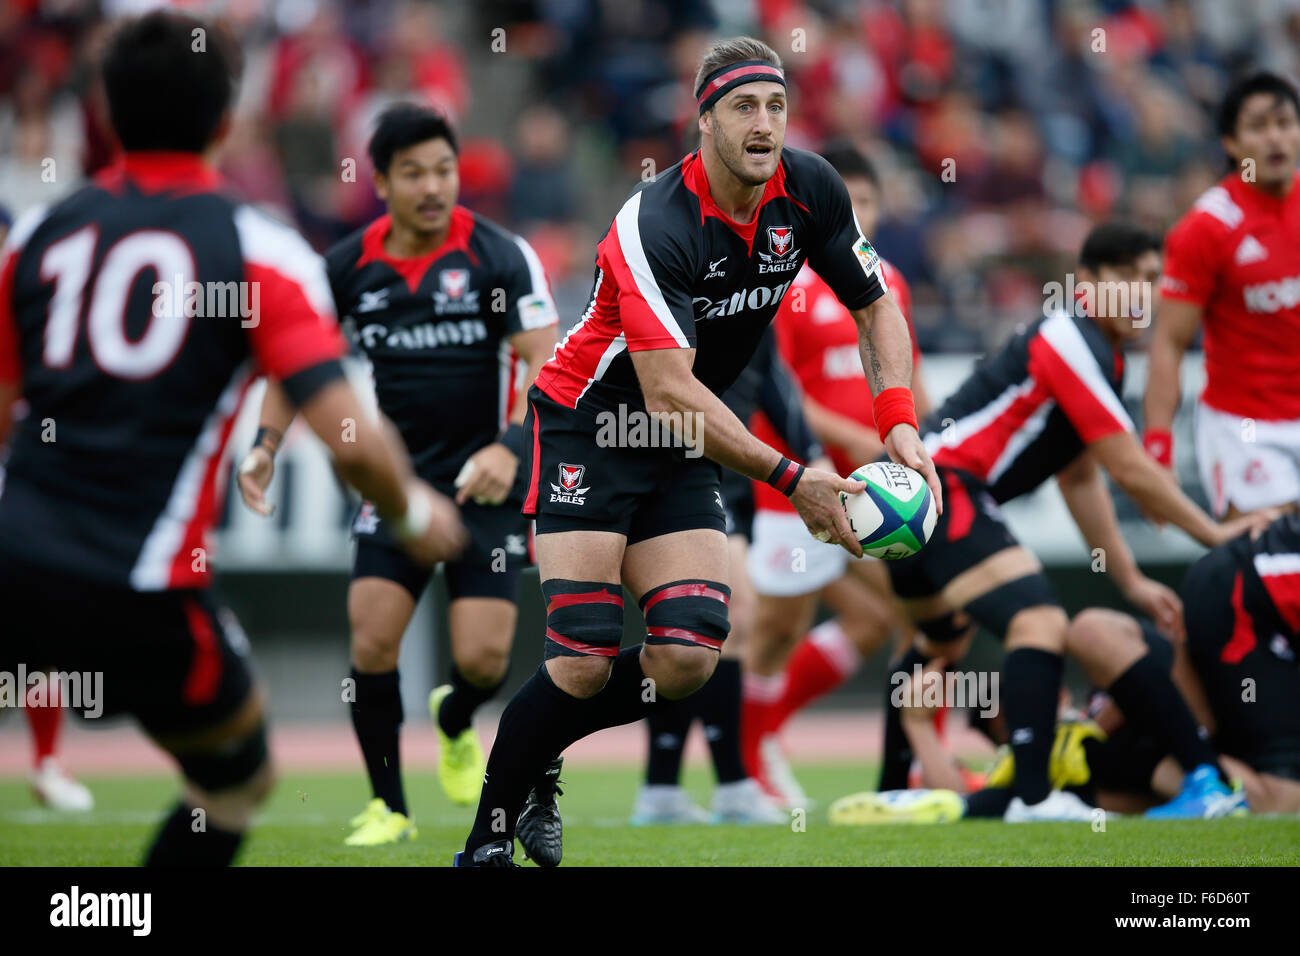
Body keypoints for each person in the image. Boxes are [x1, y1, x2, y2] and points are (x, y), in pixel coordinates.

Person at [456, 36, 938, 867]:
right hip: (591, 423)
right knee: (581, 657)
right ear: (703, 120)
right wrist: (793, 480)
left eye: (778, 105)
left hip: (682, 437)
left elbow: (876, 305)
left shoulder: (812, 190)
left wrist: (896, 416)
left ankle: (540, 744)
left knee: (687, 656)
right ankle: (486, 842)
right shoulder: (654, 221)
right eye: (745, 106)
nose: (766, 123)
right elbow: (670, 391)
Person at [0, 10, 464, 866]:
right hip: (135, 583)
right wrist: (408, 514)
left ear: (104, 112)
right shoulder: (260, 250)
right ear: (225, 121)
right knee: (234, 784)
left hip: (14, 554)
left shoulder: (34, 237)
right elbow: (351, 438)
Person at [237, 104, 558, 845]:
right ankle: (390, 807)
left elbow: (550, 365)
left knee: (481, 661)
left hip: (489, 484)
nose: (433, 186)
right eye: (413, 172)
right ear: (379, 181)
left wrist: (511, 446)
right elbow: (295, 365)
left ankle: (454, 717)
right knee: (372, 644)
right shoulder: (347, 267)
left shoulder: (499, 254)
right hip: (398, 485)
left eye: (444, 169)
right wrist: (264, 446)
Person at [876, 220, 1268, 822]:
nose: (1143, 292)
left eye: (1153, 279)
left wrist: (1131, 579)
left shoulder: (1097, 353)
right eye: (1128, 277)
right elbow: (1129, 468)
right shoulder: (1069, 337)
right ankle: (1035, 798)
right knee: (1039, 618)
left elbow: (1080, 476)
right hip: (938, 489)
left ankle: (889, 790)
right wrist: (1214, 534)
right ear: (1087, 282)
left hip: (916, 496)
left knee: (936, 646)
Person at [742, 142, 936, 806]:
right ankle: (747, 760)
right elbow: (784, 393)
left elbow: (905, 368)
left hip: (881, 488)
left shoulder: (888, 284)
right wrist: (867, 440)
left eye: (870, 202)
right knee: (775, 629)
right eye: (848, 203)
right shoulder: (789, 284)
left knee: (892, 616)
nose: (860, 215)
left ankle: (900, 768)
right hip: (800, 484)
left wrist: (926, 433)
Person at [631, 326, 818, 825]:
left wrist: (811, 454)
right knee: (730, 616)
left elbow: (772, 383)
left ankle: (662, 791)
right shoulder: (678, 290)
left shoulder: (759, 299)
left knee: (689, 631)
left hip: (735, 479)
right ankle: (733, 786)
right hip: (681, 465)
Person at [1145, 71, 1300, 519]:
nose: (1275, 138)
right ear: (1231, 144)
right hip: (1245, 429)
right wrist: (1157, 447)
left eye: (1284, 122)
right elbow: (1170, 342)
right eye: (1258, 126)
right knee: (1268, 568)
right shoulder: (1206, 228)